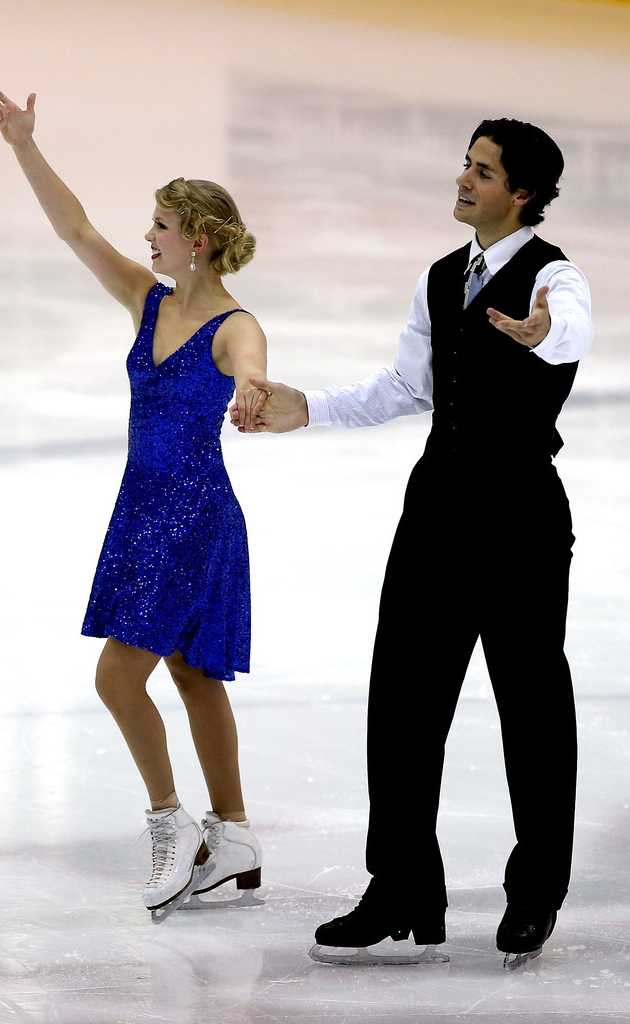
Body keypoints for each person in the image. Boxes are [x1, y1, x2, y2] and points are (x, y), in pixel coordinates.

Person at [233, 118, 593, 966]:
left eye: (483, 171)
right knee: (401, 703)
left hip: (519, 521)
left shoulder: (556, 277)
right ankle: (398, 887)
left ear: (524, 193)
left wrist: (546, 336)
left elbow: (571, 330)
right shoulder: (441, 277)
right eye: (464, 164)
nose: (463, 180)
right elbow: (406, 386)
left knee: (532, 710)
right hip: (434, 513)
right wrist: (307, 407)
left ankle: (534, 892)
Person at [0, 84, 267, 921]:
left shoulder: (230, 324)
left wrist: (252, 390)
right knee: (189, 674)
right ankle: (237, 834)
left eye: (160, 227)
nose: (147, 236)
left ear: (198, 240)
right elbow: (75, 229)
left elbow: (252, 360)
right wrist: (23, 146)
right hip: (142, 511)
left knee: (120, 677)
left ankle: (169, 822)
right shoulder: (148, 302)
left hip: (191, 517)